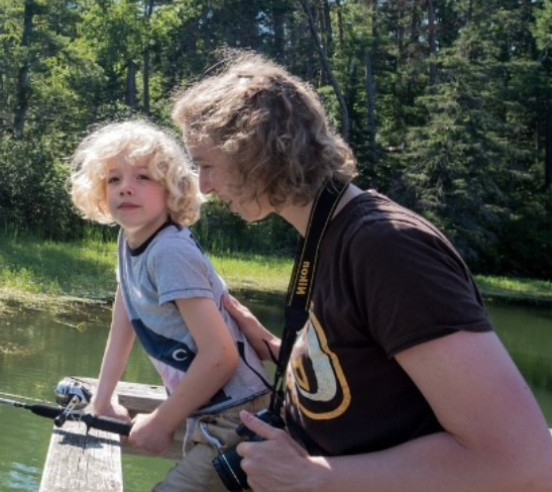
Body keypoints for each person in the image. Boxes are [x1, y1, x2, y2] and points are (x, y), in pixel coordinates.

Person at [170, 49, 552, 492]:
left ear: (253, 153)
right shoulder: (327, 233)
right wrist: (286, 351)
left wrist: (314, 476)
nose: (204, 186)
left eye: (207, 164)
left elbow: (523, 462)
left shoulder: (388, 247)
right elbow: (370, 380)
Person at [68, 119, 271, 492]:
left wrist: (161, 422)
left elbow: (220, 355)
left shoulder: (169, 251)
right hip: (205, 409)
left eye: (143, 177)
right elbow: (123, 320)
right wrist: (102, 401)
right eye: (113, 179)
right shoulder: (130, 239)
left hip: (236, 416)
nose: (126, 187)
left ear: (172, 189)